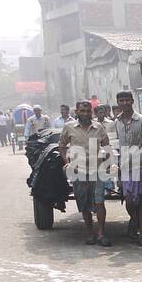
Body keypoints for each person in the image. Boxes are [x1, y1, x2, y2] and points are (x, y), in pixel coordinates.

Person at [60, 100, 111, 247]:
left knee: (99, 201)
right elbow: (62, 146)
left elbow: (107, 146)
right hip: (78, 171)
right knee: (84, 204)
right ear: (76, 112)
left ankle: (101, 233)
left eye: (88, 111)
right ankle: (90, 233)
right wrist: (67, 162)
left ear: (91, 112)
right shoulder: (69, 127)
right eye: (82, 111)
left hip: (98, 169)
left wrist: (109, 163)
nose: (85, 114)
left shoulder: (99, 127)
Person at [114, 89, 142, 246]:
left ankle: (141, 234)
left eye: (128, 100)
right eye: (122, 100)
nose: (125, 103)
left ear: (133, 101)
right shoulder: (116, 122)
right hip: (126, 167)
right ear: (118, 103)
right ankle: (134, 221)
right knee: (129, 201)